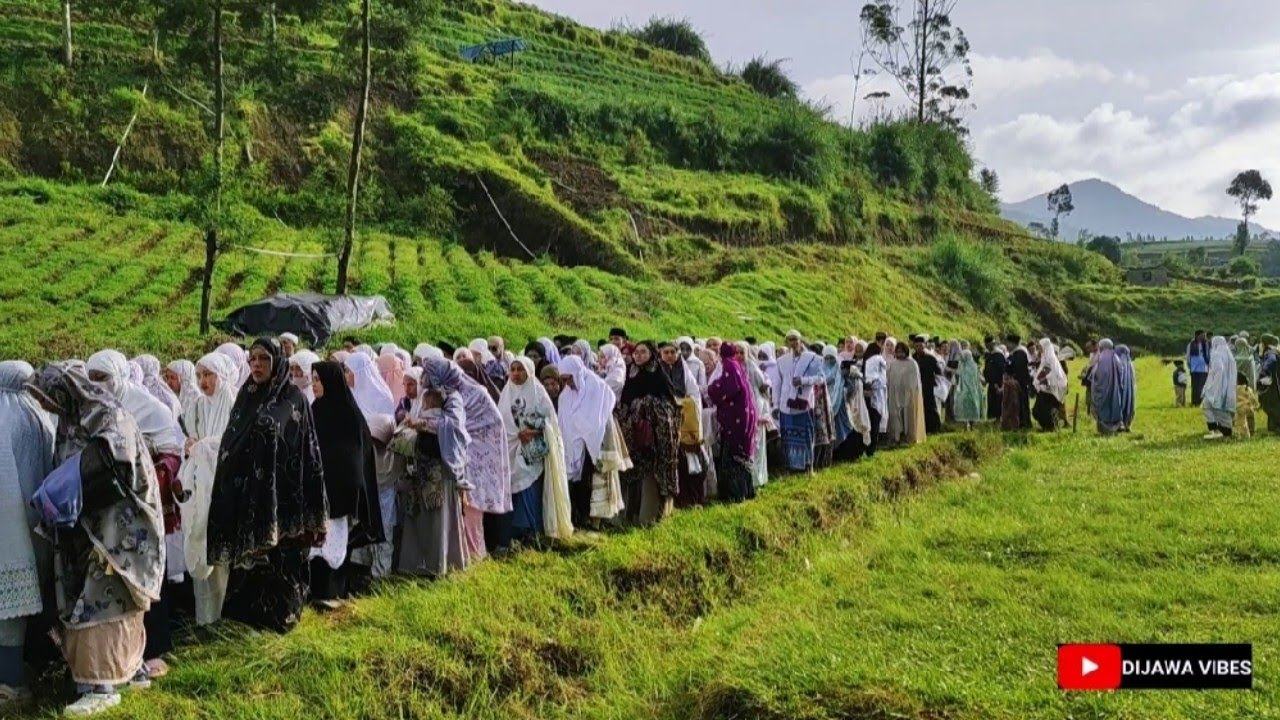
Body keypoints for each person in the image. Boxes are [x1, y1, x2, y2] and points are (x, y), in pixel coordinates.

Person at [27, 363, 164, 716]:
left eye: (48, 397)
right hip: (89, 529)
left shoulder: (106, 413)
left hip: (118, 530)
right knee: (98, 601)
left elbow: (114, 458)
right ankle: (124, 669)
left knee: (102, 603)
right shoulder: (71, 419)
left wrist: (72, 480)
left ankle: (102, 685)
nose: (47, 406)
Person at [209, 338, 328, 634]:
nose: (257, 364)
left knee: (281, 563)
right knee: (248, 566)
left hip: (284, 498)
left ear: (277, 361)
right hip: (248, 497)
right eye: (253, 359)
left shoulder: (292, 399)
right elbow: (231, 441)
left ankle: (280, 619)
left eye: (264, 358)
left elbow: (304, 450)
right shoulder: (246, 396)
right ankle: (244, 621)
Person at [0, 361, 54, 709]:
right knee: (29, 598)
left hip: (8, 524)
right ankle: (27, 670)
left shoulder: (4, 416)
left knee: (6, 608)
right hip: (40, 523)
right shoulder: (41, 416)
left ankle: (10, 682)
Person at [309, 361, 384, 604]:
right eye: (313, 379)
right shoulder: (314, 410)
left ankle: (334, 592)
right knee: (315, 545)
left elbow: (355, 459)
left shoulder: (349, 414)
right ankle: (315, 590)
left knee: (336, 543)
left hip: (338, 493)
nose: (314, 384)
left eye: (318, 380)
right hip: (316, 492)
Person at [422, 359, 511, 557]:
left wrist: (422, 423)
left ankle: (475, 556)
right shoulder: (452, 393)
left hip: (479, 455)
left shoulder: (472, 394)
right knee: (463, 508)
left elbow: (455, 426)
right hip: (466, 453)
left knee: (472, 507)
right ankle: (465, 556)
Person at [176, 353, 239, 627]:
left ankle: (225, 617)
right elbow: (187, 444)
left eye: (209, 375)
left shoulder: (235, 405)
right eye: (200, 375)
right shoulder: (197, 408)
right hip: (201, 488)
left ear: (221, 376)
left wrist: (205, 446)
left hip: (225, 489)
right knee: (200, 543)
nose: (203, 381)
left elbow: (233, 445)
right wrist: (189, 446)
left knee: (222, 551)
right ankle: (205, 618)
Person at [398, 387, 473, 578]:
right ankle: (443, 563)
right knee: (442, 524)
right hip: (440, 481)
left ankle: (425, 565)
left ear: (429, 402)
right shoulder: (449, 423)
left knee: (427, 525)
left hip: (429, 481)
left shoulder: (428, 422)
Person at [498, 357, 573, 544]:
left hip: (531, 452)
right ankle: (513, 534)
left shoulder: (538, 392)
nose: (515, 373)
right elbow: (501, 424)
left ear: (529, 371)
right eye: (512, 369)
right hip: (510, 450)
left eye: (520, 369)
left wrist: (533, 431)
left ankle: (531, 531)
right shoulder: (505, 393)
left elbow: (551, 423)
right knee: (513, 490)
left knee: (530, 489)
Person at [557, 355, 628, 526]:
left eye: (569, 378)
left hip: (598, 441)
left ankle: (598, 522)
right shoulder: (565, 396)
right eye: (564, 379)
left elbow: (601, 414)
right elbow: (564, 423)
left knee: (598, 482)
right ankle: (582, 519)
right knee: (580, 484)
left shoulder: (597, 387)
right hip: (576, 448)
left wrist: (588, 434)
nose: (567, 383)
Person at [617, 342, 680, 524]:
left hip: (655, 439)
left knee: (651, 477)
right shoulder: (632, 373)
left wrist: (648, 404)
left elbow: (670, 404)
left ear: (652, 354)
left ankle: (651, 515)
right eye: (636, 352)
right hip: (633, 435)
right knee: (633, 474)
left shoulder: (658, 375)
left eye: (643, 352)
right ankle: (631, 515)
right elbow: (625, 401)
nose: (638, 355)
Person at [707, 343, 758, 503]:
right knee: (738, 455)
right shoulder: (735, 365)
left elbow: (730, 388)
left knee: (733, 456)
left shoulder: (729, 366)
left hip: (735, 420)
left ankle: (736, 494)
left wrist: (713, 388)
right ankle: (745, 490)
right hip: (741, 416)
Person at [776, 331, 824, 471]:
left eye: (795, 339)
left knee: (806, 435)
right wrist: (776, 403)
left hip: (804, 404)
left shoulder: (812, 358)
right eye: (790, 340)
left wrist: (804, 381)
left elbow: (821, 378)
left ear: (800, 340)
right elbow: (778, 382)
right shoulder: (782, 361)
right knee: (787, 436)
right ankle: (790, 466)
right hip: (786, 404)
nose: (793, 342)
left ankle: (808, 466)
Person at [885, 342, 925, 445]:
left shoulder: (912, 364)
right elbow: (890, 379)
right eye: (897, 352)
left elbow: (914, 382)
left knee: (908, 417)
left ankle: (908, 437)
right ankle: (896, 437)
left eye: (901, 352)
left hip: (908, 396)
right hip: (895, 395)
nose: (899, 354)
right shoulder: (893, 364)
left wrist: (908, 392)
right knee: (895, 415)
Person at [1201, 336, 1237, 440]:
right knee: (1223, 409)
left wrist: (1214, 385)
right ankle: (1225, 431)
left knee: (1207, 406)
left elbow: (1219, 369)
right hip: (1228, 387)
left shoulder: (1216, 354)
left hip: (1218, 386)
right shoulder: (1229, 355)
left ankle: (1216, 430)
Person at [1032, 338, 1068, 431]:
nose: (1039, 349)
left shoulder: (1051, 358)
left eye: (1040, 347)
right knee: (1037, 411)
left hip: (1051, 389)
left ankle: (1051, 428)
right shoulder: (1044, 357)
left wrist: (1045, 378)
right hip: (1044, 389)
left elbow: (1056, 373)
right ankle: (1045, 427)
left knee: (1047, 411)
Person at [345, 352, 396, 418]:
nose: (345, 375)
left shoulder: (383, 398)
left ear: (359, 373)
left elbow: (384, 424)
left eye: (347, 371)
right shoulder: (349, 392)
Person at [912, 336, 943, 434]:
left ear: (924, 346)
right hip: (916, 387)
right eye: (916, 346)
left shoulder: (930, 358)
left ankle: (934, 428)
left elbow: (939, 371)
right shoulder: (912, 359)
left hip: (928, 386)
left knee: (930, 407)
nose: (918, 348)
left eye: (920, 346)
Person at [1004, 334, 1034, 429]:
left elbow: (1019, 370)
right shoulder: (1016, 353)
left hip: (1020, 383)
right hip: (1018, 382)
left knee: (1022, 403)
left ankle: (1024, 423)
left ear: (1012, 343)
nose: (1007, 345)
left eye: (1008, 343)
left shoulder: (1020, 353)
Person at [953, 349, 984, 428]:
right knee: (965, 408)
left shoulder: (972, 366)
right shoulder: (964, 364)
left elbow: (967, 377)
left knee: (971, 407)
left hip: (970, 390)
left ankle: (972, 424)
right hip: (965, 389)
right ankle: (966, 424)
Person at [1258, 335, 1280, 432]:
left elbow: (1272, 361)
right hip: (1275, 381)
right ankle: (1273, 426)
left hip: (1273, 382)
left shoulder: (1270, 352)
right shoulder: (1273, 351)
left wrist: (1264, 372)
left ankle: (1276, 426)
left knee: (1271, 403)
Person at [982, 337, 1006, 421]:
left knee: (998, 400)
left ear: (992, 344)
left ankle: (998, 418)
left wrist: (997, 381)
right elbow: (987, 368)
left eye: (988, 345)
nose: (987, 346)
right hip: (991, 381)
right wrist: (985, 378)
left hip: (998, 381)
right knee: (991, 400)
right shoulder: (989, 354)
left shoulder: (999, 354)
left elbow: (1001, 369)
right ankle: (993, 417)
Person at [1116, 345, 1136, 432]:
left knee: (1120, 404)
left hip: (1120, 390)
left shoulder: (1119, 362)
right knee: (1128, 404)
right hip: (1129, 391)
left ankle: (1120, 424)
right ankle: (1127, 424)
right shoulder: (1130, 363)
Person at [1187, 330, 1210, 406]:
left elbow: (1208, 355)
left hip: (1204, 369)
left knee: (1203, 386)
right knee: (1195, 386)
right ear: (1197, 336)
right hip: (1194, 368)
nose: (1204, 337)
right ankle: (1195, 402)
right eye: (1203, 335)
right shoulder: (1191, 344)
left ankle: (1201, 402)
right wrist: (1190, 366)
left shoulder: (1206, 344)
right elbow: (1188, 357)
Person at [1235, 372, 1258, 440]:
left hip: (1240, 408)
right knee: (1251, 420)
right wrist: (1256, 404)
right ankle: (1252, 431)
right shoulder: (1248, 388)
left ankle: (1244, 435)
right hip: (1249, 407)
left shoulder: (1235, 389)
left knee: (1242, 423)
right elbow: (1253, 398)